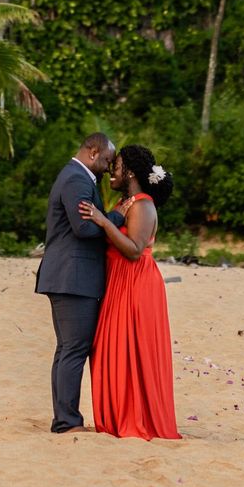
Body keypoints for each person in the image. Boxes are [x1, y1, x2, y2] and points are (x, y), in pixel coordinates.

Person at [78, 142, 182, 440]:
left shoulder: (143, 205)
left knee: (132, 352)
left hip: (137, 285)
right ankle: (115, 418)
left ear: (131, 172)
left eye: (118, 165)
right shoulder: (124, 204)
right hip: (118, 285)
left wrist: (102, 221)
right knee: (112, 350)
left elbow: (135, 250)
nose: (112, 169)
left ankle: (136, 420)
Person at [34, 131, 116, 433]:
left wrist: (104, 218)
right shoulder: (76, 180)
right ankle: (67, 422)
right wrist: (116, 219)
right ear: (92, 152)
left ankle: (64, 418)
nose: (109, 168)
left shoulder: (77, 177)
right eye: (107, 160)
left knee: (67, 348)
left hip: (68, 276)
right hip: (72, 276)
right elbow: (84, 227)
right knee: (75, 349)